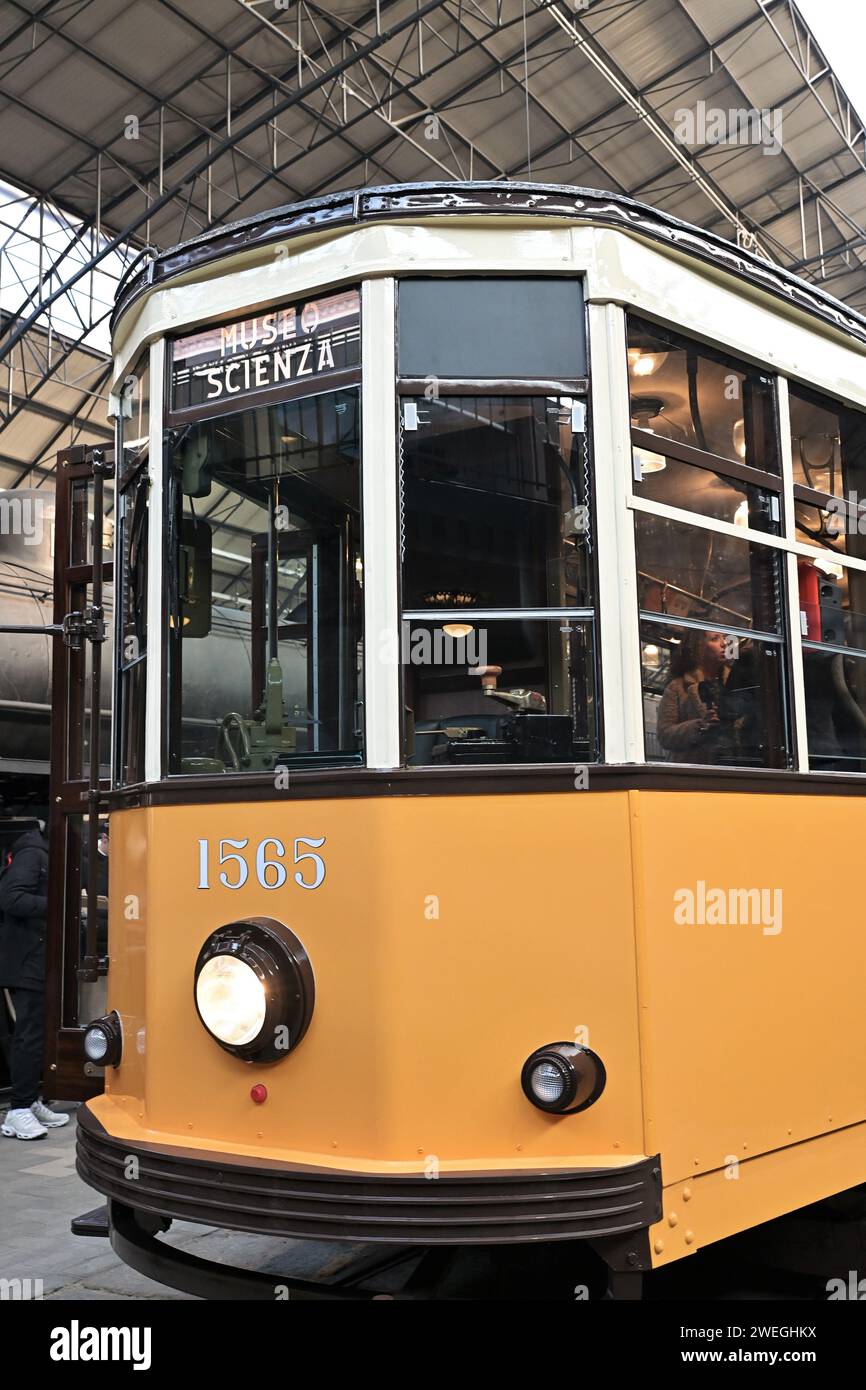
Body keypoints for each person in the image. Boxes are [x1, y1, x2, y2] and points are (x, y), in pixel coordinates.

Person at [0, 822, 69, 1140]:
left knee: (37, 1034)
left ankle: (30, 1100)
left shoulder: (43, 853)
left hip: (38, 961)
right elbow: (11, 899)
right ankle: (17, 1110)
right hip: (26, 962)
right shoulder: (33, 853)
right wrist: (60, 905)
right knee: (29, 1036)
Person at [657, 629, 739, 765]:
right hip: (695, 771)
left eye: (724, 638)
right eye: (715, 639)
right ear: (699, 648)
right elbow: (664, 735)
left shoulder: (734, 682)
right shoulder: (678, 687)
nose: (724, 643)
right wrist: (700, 726)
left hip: (734, 768)